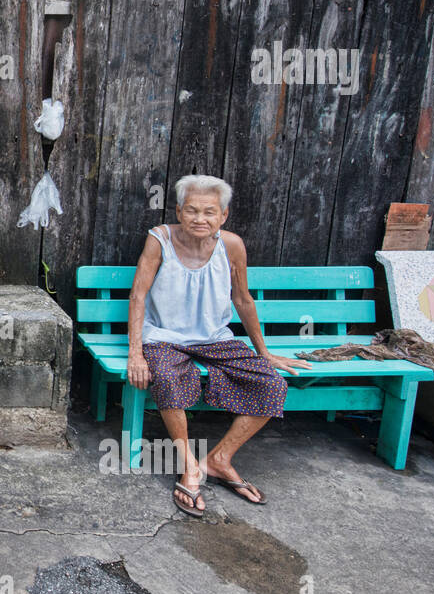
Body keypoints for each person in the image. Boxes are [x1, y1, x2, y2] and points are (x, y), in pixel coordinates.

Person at [126, 175, 311, 516]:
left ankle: (220, 459)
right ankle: (190, 466)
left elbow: (243, 299)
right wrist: (135, 353)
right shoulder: (159, 239)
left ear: (223, 216)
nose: (200, 219)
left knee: (271, 383)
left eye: (210, 212)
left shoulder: (232, 245)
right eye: (192, 210)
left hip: (215, 339)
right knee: (167, 379)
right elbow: (138, 295)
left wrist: (264, 352)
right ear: (179, 211)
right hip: (164, 337)